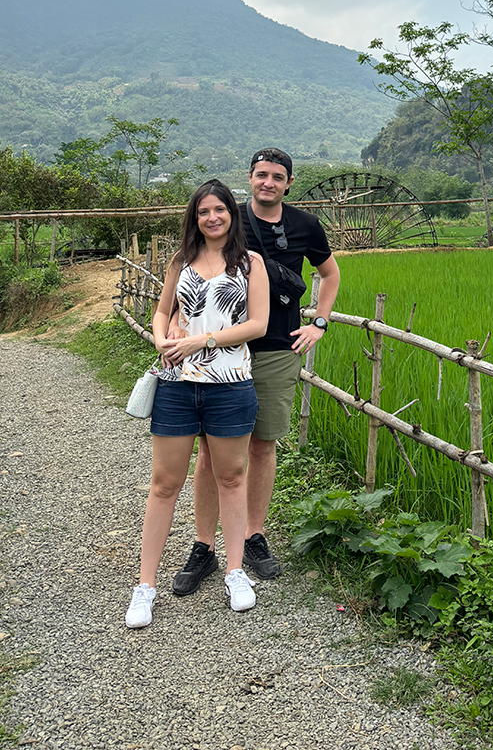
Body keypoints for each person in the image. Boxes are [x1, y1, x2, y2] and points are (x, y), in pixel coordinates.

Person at [171, 149, 340, 594]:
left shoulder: (305, 225)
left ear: (288, 183)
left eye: (277, 177)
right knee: (210, 453)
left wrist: (319, 322)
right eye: (261, 175)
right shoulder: (226, 217)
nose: (268, 182)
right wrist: (173, 324)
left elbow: (330, 273)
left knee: (263, 445)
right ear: (249, 178)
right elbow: (186, 278)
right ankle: (204, 545)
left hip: (275, 349)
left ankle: (252, 535)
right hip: (219, 358)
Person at [125, 180, 270, 629]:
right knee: (164, 483)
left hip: (229, 384)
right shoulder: (180, 260)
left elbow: (259, 325)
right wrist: (160, 337)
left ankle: (234, 571)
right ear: (195, 217)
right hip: (176, 384)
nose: (212, 218)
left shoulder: (250, 264)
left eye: (220, 210)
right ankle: (145, 586)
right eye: (204, 211)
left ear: (232, 214)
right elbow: (162, 309)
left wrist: (200, 341)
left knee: (230, 476)